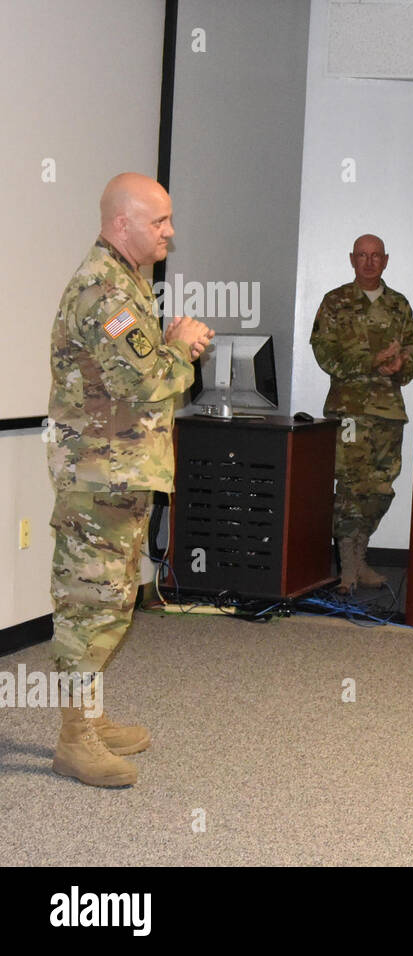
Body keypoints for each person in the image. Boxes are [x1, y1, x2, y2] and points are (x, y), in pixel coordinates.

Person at [47, 172, 213, 787]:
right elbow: (143, 381)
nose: (170, 232)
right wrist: (184, 347)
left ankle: (88, 716)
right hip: (99, 476)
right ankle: (74, 738)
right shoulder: (104, 292)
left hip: (116, 471)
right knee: (92, 603)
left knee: (112, 598)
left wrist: (165, 345)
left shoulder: (127, 280)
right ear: (122, 224)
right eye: (159, 222)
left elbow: (131, 370)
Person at [310, 234, 413, 593]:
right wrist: (371, 361)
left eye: (376, 256)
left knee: (380, 488)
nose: (369, 262)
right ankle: (347, 567)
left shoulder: (399, 305)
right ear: (352, 259)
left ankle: (361, 558)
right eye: (362, 255)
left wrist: (400, 365)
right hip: (350, 410)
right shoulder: (335, 302)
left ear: (385, 260)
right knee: (350, 488)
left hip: (388, 411)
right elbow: (325, 354)